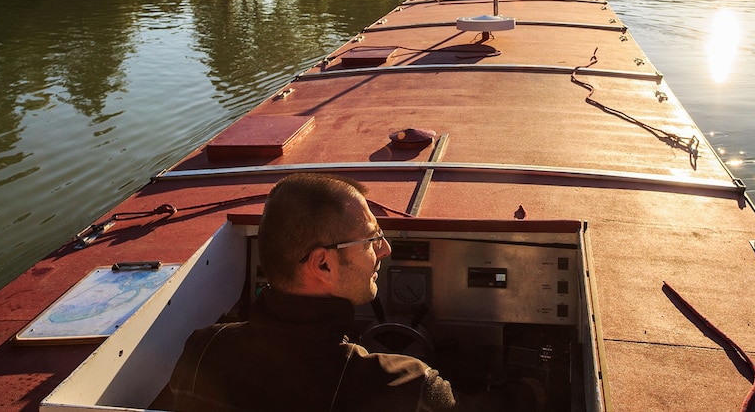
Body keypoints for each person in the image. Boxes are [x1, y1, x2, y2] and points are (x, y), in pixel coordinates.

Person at [156, 173, 540, 412]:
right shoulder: (407, 387)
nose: (385, 250)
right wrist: (533, 390)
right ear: (323, 265)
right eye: (372, 239)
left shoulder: (201, 351)